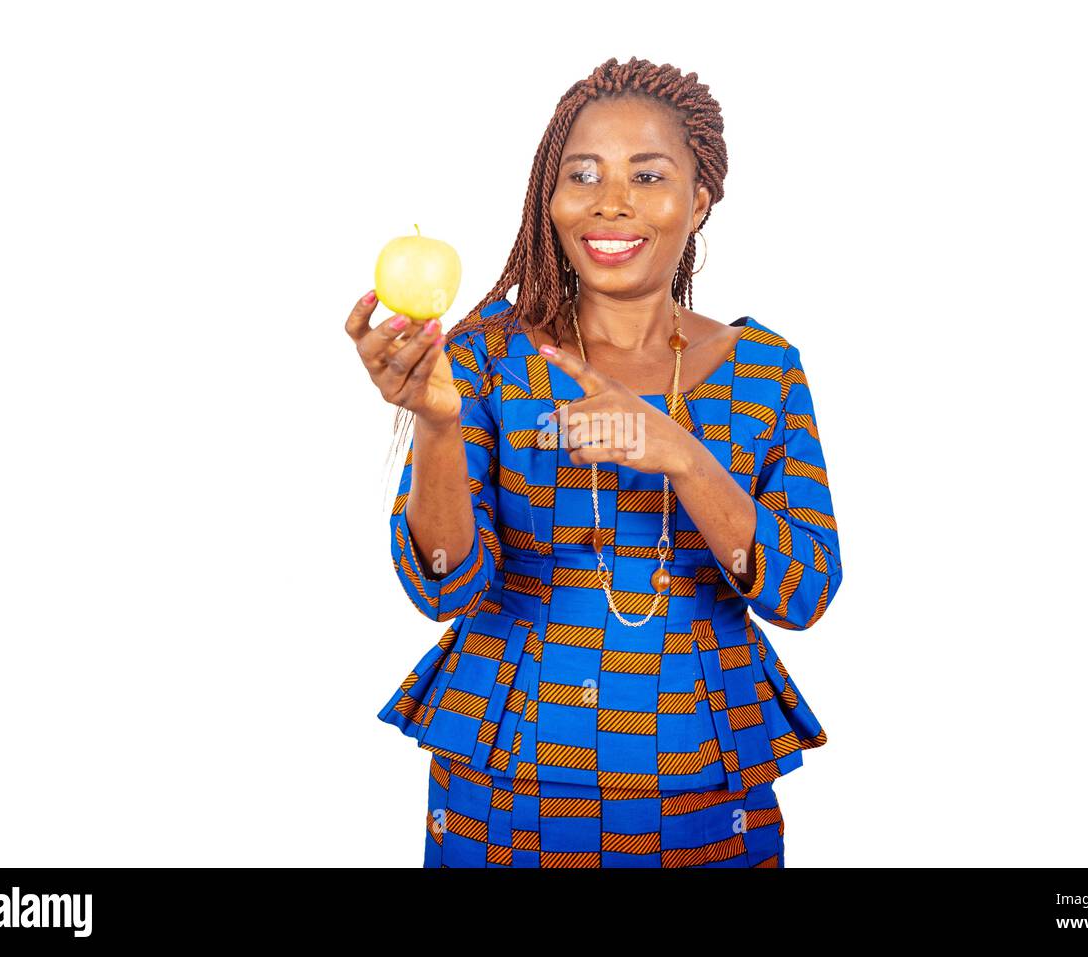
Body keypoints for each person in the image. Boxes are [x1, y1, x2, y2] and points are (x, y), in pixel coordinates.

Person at [345, 56, 844, 868]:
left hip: (703, 794)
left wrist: (682, 455)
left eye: (648, 175)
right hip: (504, 791)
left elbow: (806, 589)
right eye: (583, 174)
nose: (612, 201)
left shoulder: (765, 368)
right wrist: (438, 425)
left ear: (699, 200)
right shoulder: (482, 359)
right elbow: (441, 582)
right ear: (551, 197)